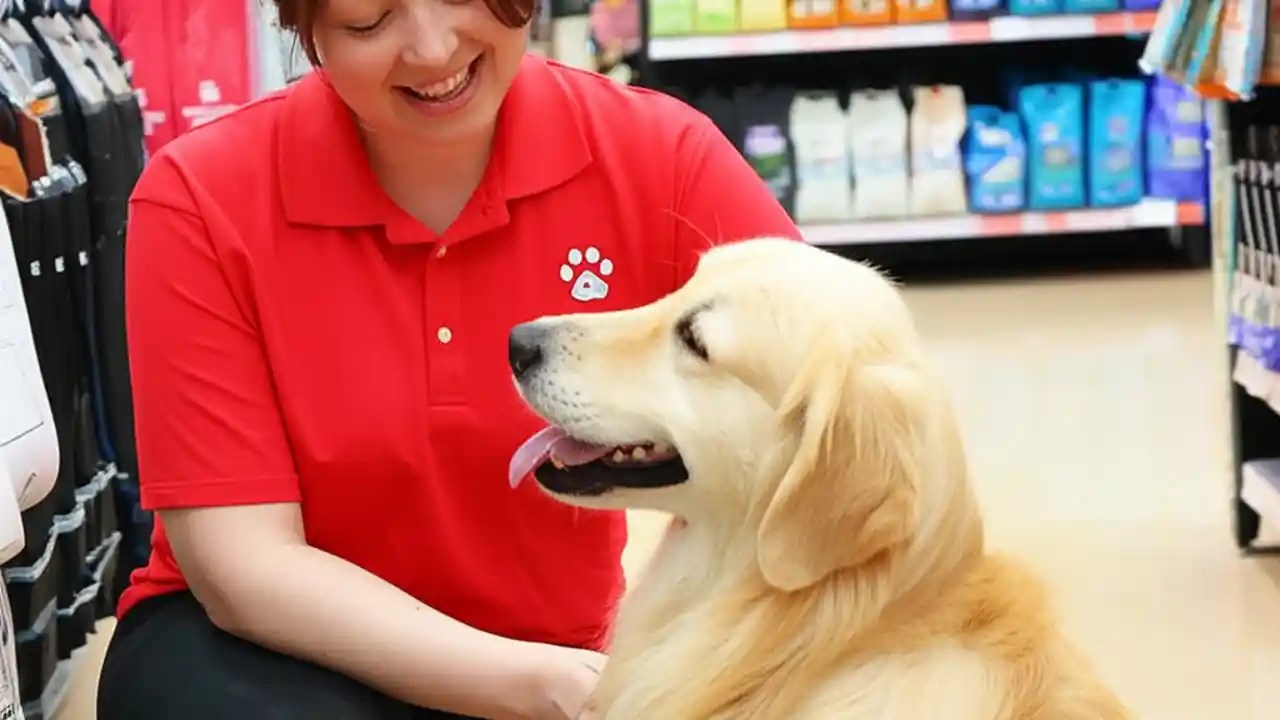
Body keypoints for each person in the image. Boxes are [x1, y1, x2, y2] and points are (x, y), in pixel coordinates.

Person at [94, 0, 802, 718]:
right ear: (302, 27)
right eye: (370, 22)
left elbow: (822, 394)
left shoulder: (658, 157)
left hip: (551, 652)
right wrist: (550, 689)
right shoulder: (201, 200)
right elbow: (243, 567)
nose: (432, 51)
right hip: (268, 657)